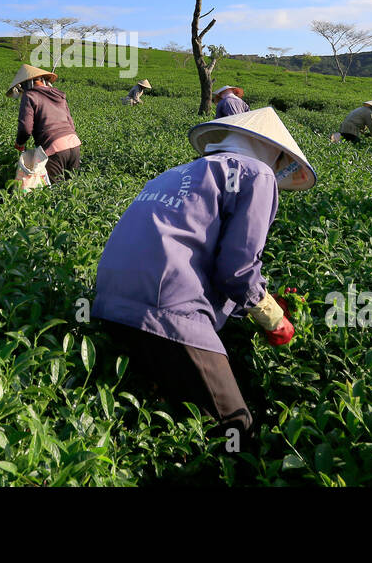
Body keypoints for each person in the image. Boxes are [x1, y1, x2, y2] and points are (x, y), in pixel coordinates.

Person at [93, 107, 316, 439]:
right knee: (235, 427)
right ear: (275, 153)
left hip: (109, 302)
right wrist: (272, 317)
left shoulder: (178, 172)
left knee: (161, 410)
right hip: (168, 309)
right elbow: (237, 271)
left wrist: (255, 299)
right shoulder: (259, 173)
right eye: (283, 162)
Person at [9, 64, 81, 184]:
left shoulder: (30, 95)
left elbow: (25, 128)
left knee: (54, 190)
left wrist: (20, 143)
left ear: (26, 84)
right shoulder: (59, 95)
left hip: (54, 149)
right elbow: (70, 123)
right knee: (72, 188)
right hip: (74, 144)